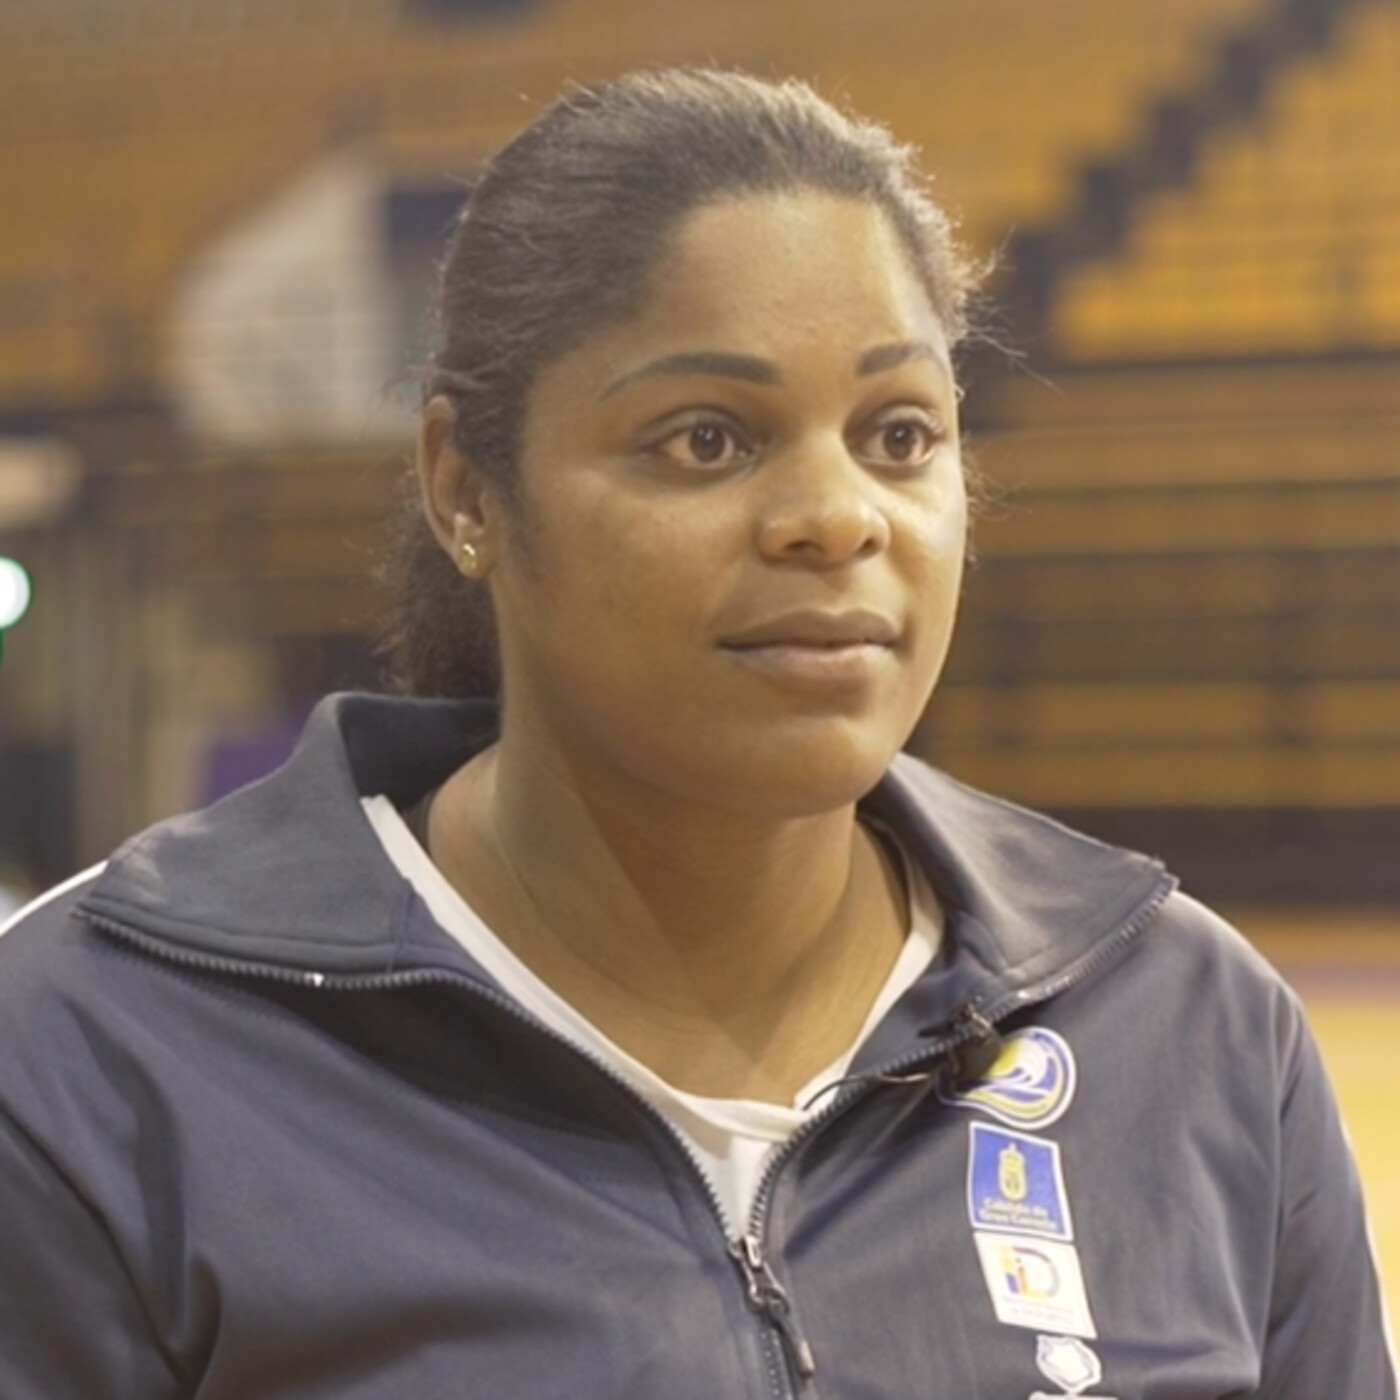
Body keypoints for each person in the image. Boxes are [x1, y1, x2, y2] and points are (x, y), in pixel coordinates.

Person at [0, 68, 1392, 1400]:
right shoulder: (97, 1058)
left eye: (900, 435)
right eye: (707, 440)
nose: (838, 517)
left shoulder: (1191, 1030)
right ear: (466, 490)